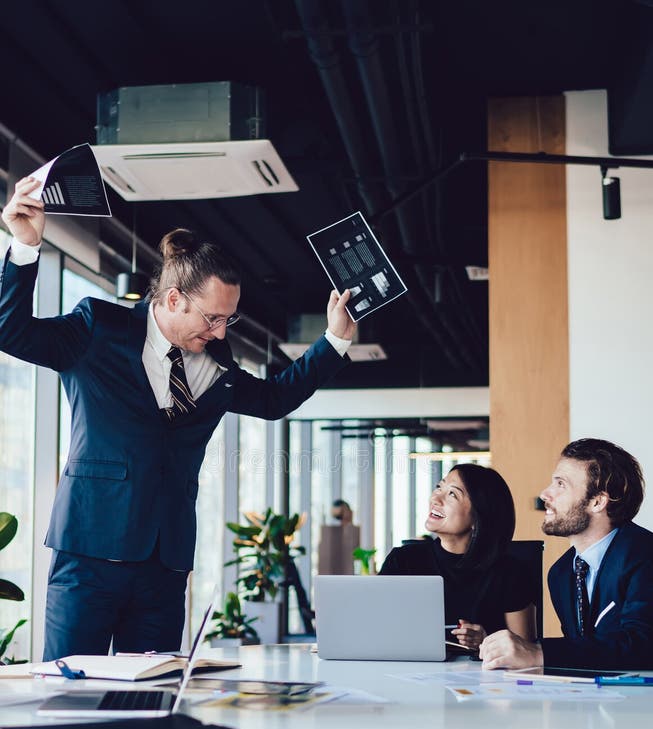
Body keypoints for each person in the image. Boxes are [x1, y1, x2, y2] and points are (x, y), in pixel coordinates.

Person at [0, 176, 355, 660]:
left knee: (151, 700)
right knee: (69, 691)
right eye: (212, 318)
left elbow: (274, 401)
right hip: (89, 555)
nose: (220, 330)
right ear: (172, 300)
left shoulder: (219, 366)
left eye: (229, 320)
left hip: (164, 567)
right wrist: (25, 246)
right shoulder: (95, 329)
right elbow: (12, 332)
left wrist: (334, 341)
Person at [480, 438, 653, 670]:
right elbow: (583, 651)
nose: (545, 494)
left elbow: (642, 647)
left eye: (561, 484)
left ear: (597, 501)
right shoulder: (561, 573)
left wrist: (539, 653)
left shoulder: (644, 555)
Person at [379, 464, 536, 651]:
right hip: (411, 670)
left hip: (484, 677)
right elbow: (377, 627)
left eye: (452, 494)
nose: (435, 498)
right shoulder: (402, 560)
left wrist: (484, 643)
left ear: (478, 518)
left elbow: (525, 651)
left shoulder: (510, 573)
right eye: (439, 487)